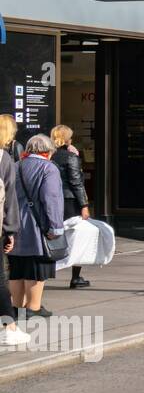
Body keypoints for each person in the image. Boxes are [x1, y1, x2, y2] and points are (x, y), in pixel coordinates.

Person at [9, 134, 65, 321]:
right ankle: (33, 307)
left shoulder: (15, 166)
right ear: (48, 151)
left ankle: (16, 307)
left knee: (16, 267)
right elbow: (52, 200)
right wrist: (55, 227)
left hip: (14, 223)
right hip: (37, 225)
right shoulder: (49, 169)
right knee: (36, 267)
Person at [0, 116, 30, 345]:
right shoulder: (4, 159)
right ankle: (9, 327)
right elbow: (9, 199)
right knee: (1, 278)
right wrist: (10, 230)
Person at [51, 125, 92, 289]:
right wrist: (84, 205)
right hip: (70, 201)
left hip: (53, 200)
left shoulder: (49, 155)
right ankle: (76, 277)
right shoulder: (71, 157)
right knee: (77, 237)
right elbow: (76, 182)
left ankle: (45, 271)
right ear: (67, 139)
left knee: (52, 234)